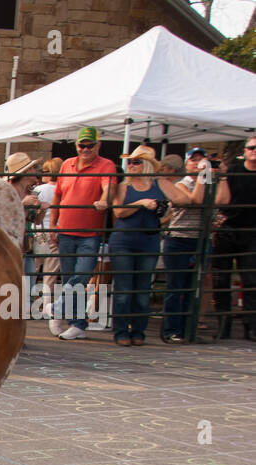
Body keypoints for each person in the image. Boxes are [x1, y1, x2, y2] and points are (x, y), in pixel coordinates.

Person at [49, 127, 116, 340]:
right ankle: (77, 323)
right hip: (66, 230)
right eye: (82, 145)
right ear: (76, 145)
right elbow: (58, 196)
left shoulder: (106, 165)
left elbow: (108, 187)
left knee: (82, 275)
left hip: (90, 233)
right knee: (70, 277)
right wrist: (53, 224)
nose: (85, 149)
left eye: (90, 145)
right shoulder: (67, 164)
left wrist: (104, 200)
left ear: (98, 145)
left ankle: (58, 308)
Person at [108, 145, 175, 347]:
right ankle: (120, 331)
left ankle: (139, 330)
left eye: (136, 161)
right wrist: (142, 203)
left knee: (143, 289)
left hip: (148, 240)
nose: (131, 165)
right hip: (124, 240)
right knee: (124, 288)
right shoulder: (124, 185)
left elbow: (183, 200)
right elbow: (119, 212)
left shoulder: (159, 185)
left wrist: (165, 213)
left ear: (146, 165)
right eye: (129, 161)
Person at [160, 150, 222, 344]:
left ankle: (189, 329)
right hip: (179, 239)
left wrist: (221, 176)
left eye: (201, 160)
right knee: (175, 285)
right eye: (193, 160)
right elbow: (196, 200)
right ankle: (171, 330)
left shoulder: (210, 181)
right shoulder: (181, 183)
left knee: (194, 286)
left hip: (202, 239)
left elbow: (221, 200)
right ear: (186, 164)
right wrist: (204, 175)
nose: (198, 163)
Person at [212, 134, 256, 340]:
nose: (253, 151)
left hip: (251, 232)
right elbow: (222, 200)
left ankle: (251, 325)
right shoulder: (233, 171)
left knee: (250, 280)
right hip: (228, 229)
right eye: (250, 148)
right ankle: (223, 325)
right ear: (244, 151)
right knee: (221, 279)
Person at [4, 153, 43, 285]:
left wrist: (42, 210)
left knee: (29, 284)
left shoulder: (31, 192)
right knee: (14, 284)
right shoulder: (8, 191)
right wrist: (22, 205)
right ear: (26, 172)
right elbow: (7, 219)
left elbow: (36, 221)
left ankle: (27, 304)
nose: (35, 170)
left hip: (27, 245)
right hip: (13, 245)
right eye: (33, 168)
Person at [33, 157, 62, 300]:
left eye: (45, 170)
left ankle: (26, 300)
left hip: (39, 232)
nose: (42, 173)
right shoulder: (62, 190)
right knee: (50, 273)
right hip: (55, 233)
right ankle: (45, 304)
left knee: (35, 268)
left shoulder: (38, 189)